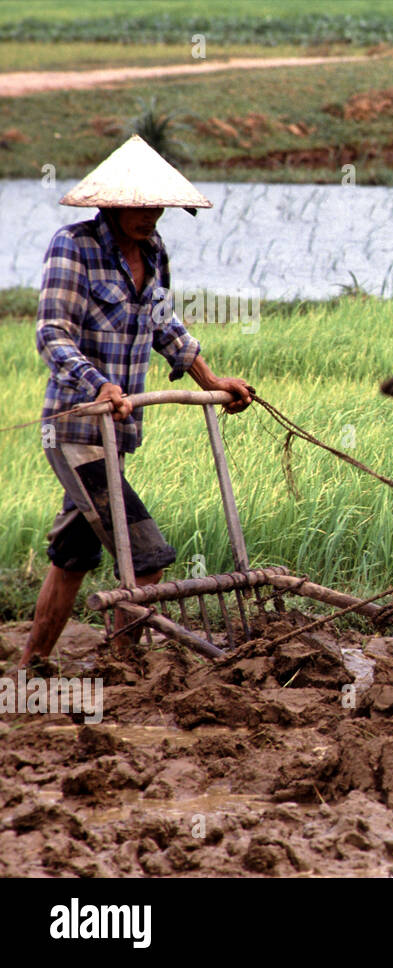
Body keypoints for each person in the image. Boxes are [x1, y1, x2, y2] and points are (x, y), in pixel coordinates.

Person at [20, 135, 253, 670]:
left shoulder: (154, 254)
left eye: (158, 207)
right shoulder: (72, 247)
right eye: (140, 206)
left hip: (117, 436)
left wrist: (212, 380)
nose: (150, 217)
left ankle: (30, 663)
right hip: (77, 432)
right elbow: (52, 332)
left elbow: (162, 325)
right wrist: (97, 384)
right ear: (113, 202)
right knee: (147, 556)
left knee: (73, 556)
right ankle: (123, 666)